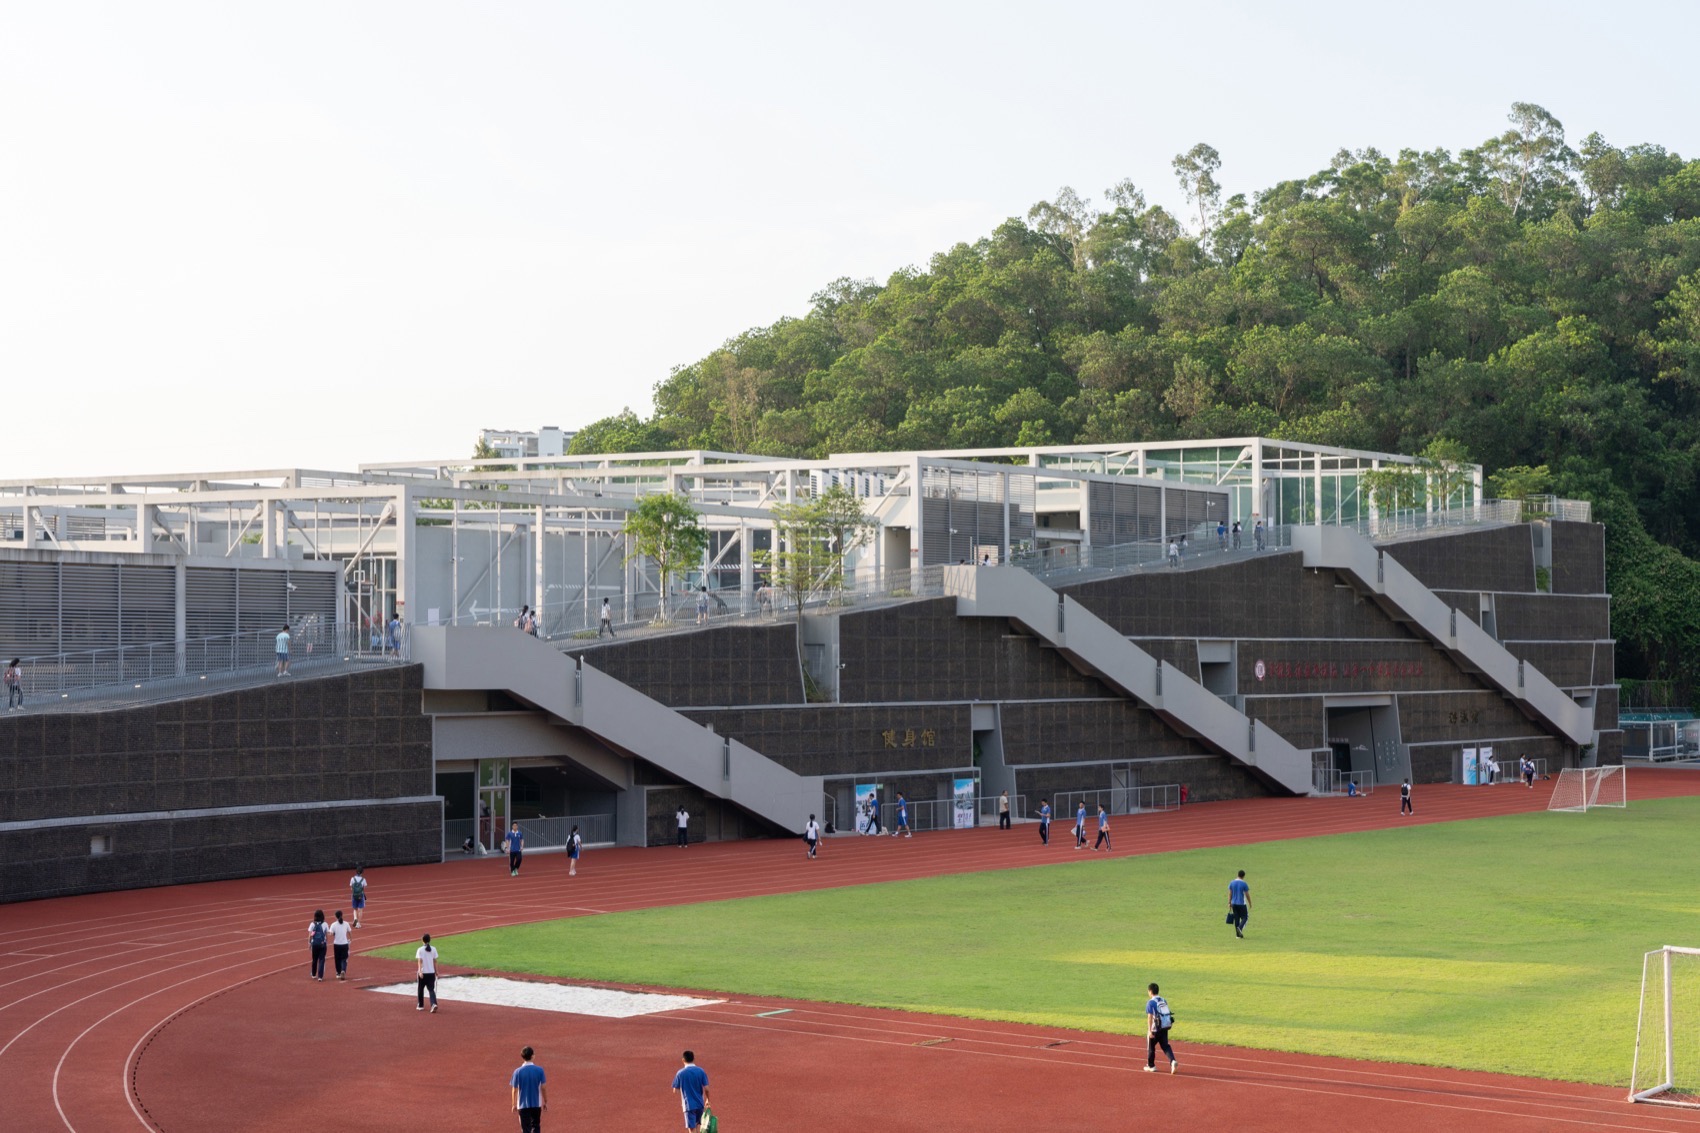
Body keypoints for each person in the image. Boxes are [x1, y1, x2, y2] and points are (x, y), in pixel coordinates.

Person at [510, 1045, 548, 1133]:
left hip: (522, 1106)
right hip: (536, 1104)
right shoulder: (539, 1070)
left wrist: (513, 1104)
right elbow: (543, 1087)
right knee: (536, 1127)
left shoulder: (517, 1072)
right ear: (532, 1056)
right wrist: (545, 1101)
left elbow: (514, 1090)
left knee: (525, 1129)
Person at [671, 1050, 710, 1132]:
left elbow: (675, 1090)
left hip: (688, 1105)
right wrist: (708, 1100)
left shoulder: (680, 1073)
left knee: (692, 1129)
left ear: (683, 1060)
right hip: (700, 1104)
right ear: (694, 1058)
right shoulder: (701, 1071)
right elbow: (706, 1088)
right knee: (699, 1127)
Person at [1144, 983, 1178, 1074]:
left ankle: (1151, 1066)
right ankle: (1172, 1061)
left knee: (1151, 1047)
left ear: (1150, 991)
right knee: (1165, 1046)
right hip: (1164, 1026)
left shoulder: (1150, 1003)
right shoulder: (1163, 1000)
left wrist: (1150, 1030)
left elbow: (1150, 1017)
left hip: (1155, 1028)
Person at [416, 933, 439, 1012]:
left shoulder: (420, 949)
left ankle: (420, 1005)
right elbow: (435, 961)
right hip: (431, 973)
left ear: (422, 940)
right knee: (431, 989)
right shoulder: (434, 949)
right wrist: (436, 971)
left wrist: (420, 971)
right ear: (430, 940)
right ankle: (433, 1004)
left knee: (420, 989)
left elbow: (420, 961)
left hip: (423, 973)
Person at [328, 909, 352, 980]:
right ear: (342, 915)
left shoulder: (333, 924)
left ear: (335, 916)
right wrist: (351, 938)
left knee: (337, 959)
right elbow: (349, 932)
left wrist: (333, 934)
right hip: (345, 944)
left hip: (337, 944)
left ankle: (338, 973)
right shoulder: (346, 923)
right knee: (344, 959)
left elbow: (331, 933)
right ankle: (343, 970)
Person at [1228, 869, 1250, 938]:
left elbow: (1230, 894)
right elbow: (1247, 894)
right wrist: (1250, 903)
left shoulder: (1232, 883)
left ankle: (1238, 935)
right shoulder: (1244, 883)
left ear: (1237, 874)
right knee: (1245, 917)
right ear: (1243, 876)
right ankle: (1239, 928)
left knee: (1236, 918)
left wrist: (1229, 902)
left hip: (1234, 903)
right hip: (1242, 903)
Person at [308, 909, 328, 982]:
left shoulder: (312, 924)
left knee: (314, 959)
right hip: (323, 944)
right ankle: (320, 977)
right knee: (322, 960)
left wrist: (309, 943)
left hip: (315, 944)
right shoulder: (325, 924)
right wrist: (326, 942)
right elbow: (326, 934)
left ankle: (313, 974)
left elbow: (310, 935)